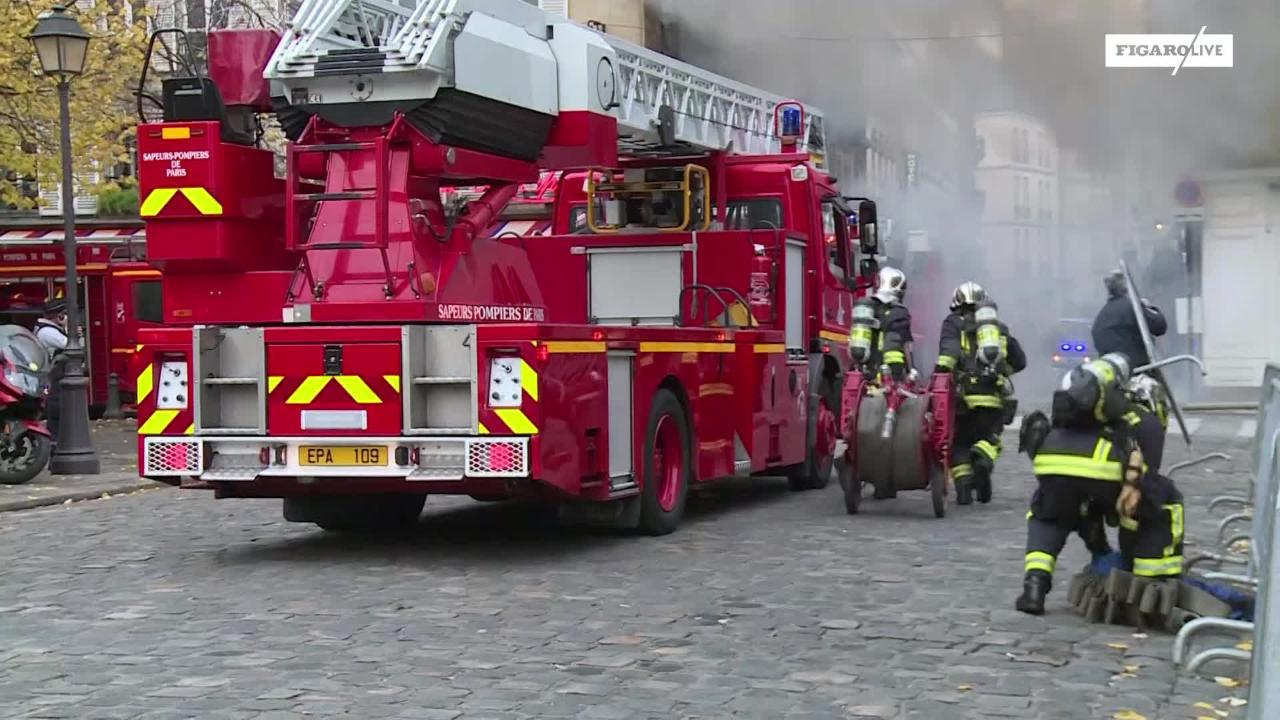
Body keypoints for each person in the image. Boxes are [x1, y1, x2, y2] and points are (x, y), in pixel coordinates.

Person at [1014, 354, 1184, 615]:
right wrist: (1127, 554)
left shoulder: (1077, 412)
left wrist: (1100, 547)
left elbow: (1084, 507)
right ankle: (1150, 581)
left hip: (1052, 463)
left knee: (1048, 516)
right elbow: (1139, 489)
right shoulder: (1142, 419)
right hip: (1104, 470)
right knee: (1160, 500)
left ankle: (1034, 586)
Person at [934, 282, 1027, 504]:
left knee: (959, 442)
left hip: (963, 397)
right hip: (993, 397)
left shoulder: (952, 324)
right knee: (990, 437)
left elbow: (949, 353)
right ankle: (983, 458)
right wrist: (1003, 373)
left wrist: (941, 375)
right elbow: (1020, 360)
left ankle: (964, 488)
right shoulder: (998, 327)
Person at [1092, 269, 1167, 368]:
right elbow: (1160, 326)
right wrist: (1148, 307)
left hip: (1114, 375)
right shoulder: (1133, 308)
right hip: (1139, 371)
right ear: (1126, 288)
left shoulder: (1100, 319)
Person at [870, 266, 913, 382]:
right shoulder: (899, 312)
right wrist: (899, 375)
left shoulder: (869, 307)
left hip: (866, 374)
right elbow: (894, 346)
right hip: (886, 377)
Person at [35, 300, 68, 437]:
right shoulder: (48, 332)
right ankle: (54, 438)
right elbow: (70, 345)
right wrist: (67, 327)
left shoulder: (46, 329)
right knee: (56, 405)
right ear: (59, 316)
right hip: (53, 375)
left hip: (52, 375)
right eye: (64, 314)